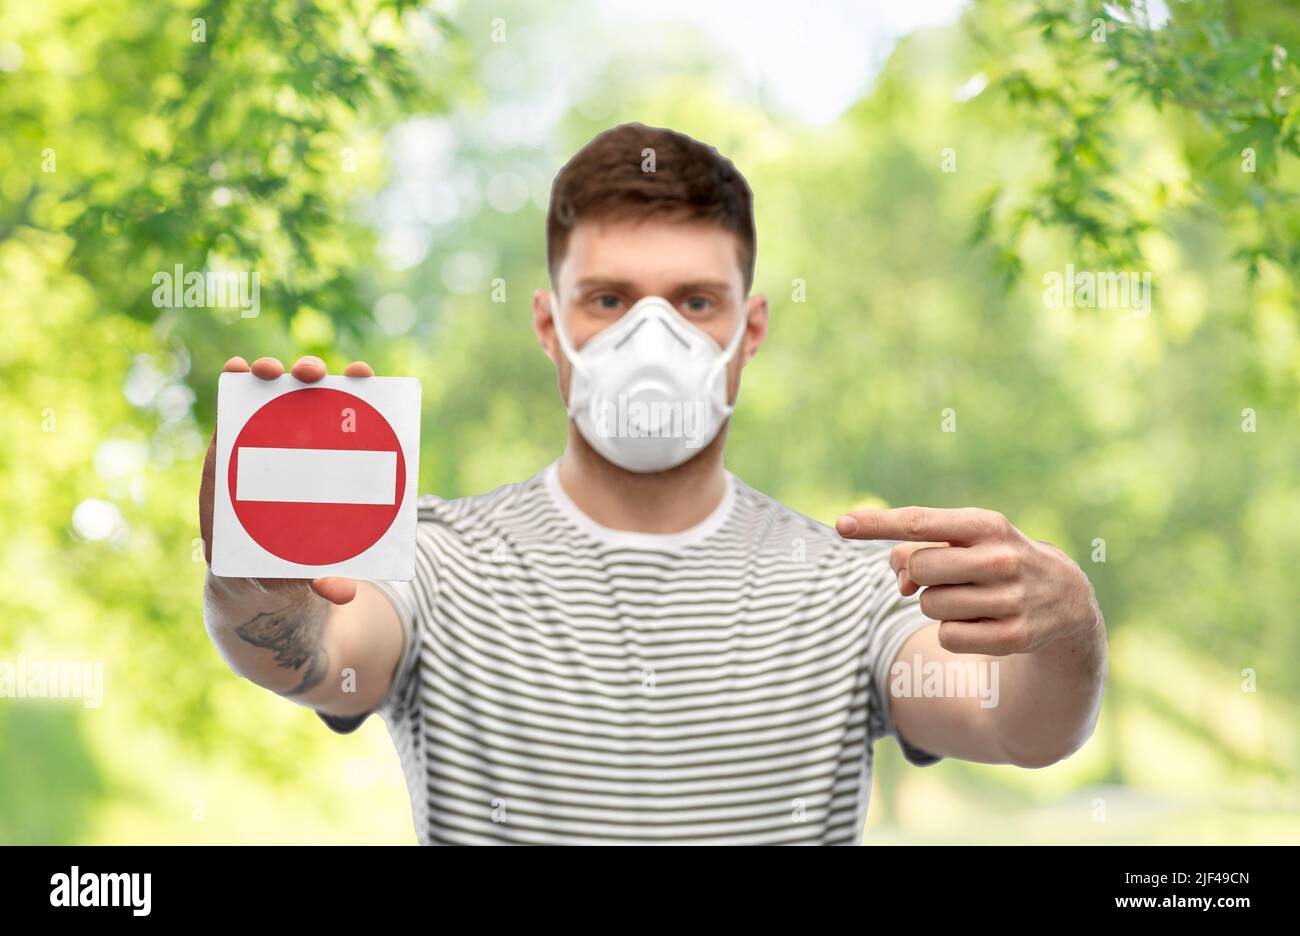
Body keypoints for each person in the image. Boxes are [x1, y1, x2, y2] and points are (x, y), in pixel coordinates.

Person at [199, 122, 1107, 845]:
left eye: (694, 302)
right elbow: (317, 658)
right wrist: (255, 579)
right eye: (609, 299)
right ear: (550, 327)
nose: (652, 337)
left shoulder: (849, 586)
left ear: (749, 331)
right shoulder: (438, 561)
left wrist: (1066, 627)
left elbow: (1020, 728)